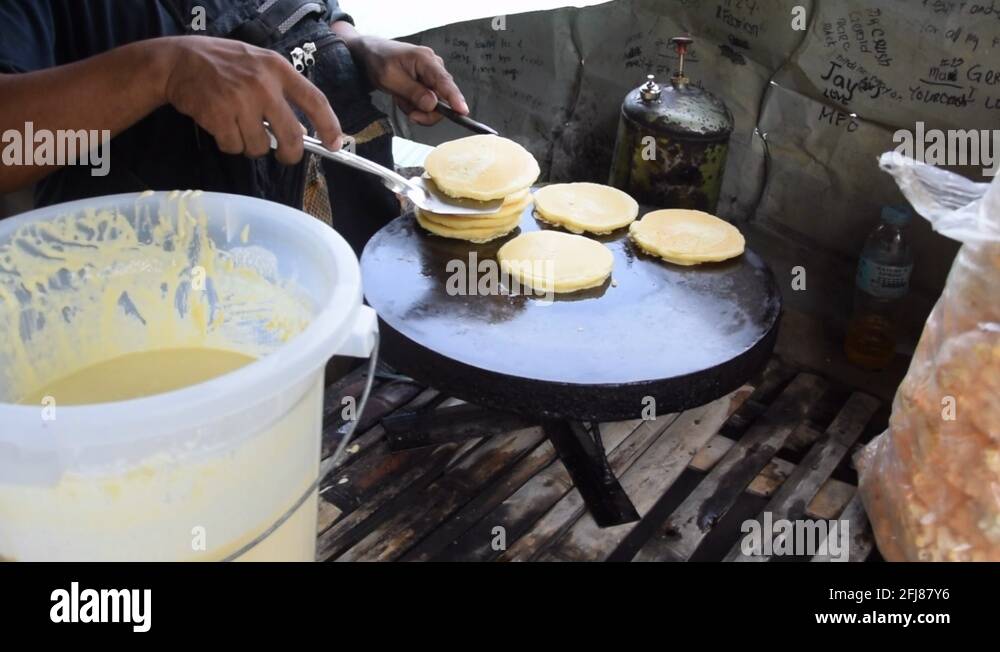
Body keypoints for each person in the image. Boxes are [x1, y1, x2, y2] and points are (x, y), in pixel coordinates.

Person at [0, 0, 468, 252]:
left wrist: (357, 48)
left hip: (351, 304)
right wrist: (163, 70)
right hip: (170, 329)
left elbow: (310, 15)